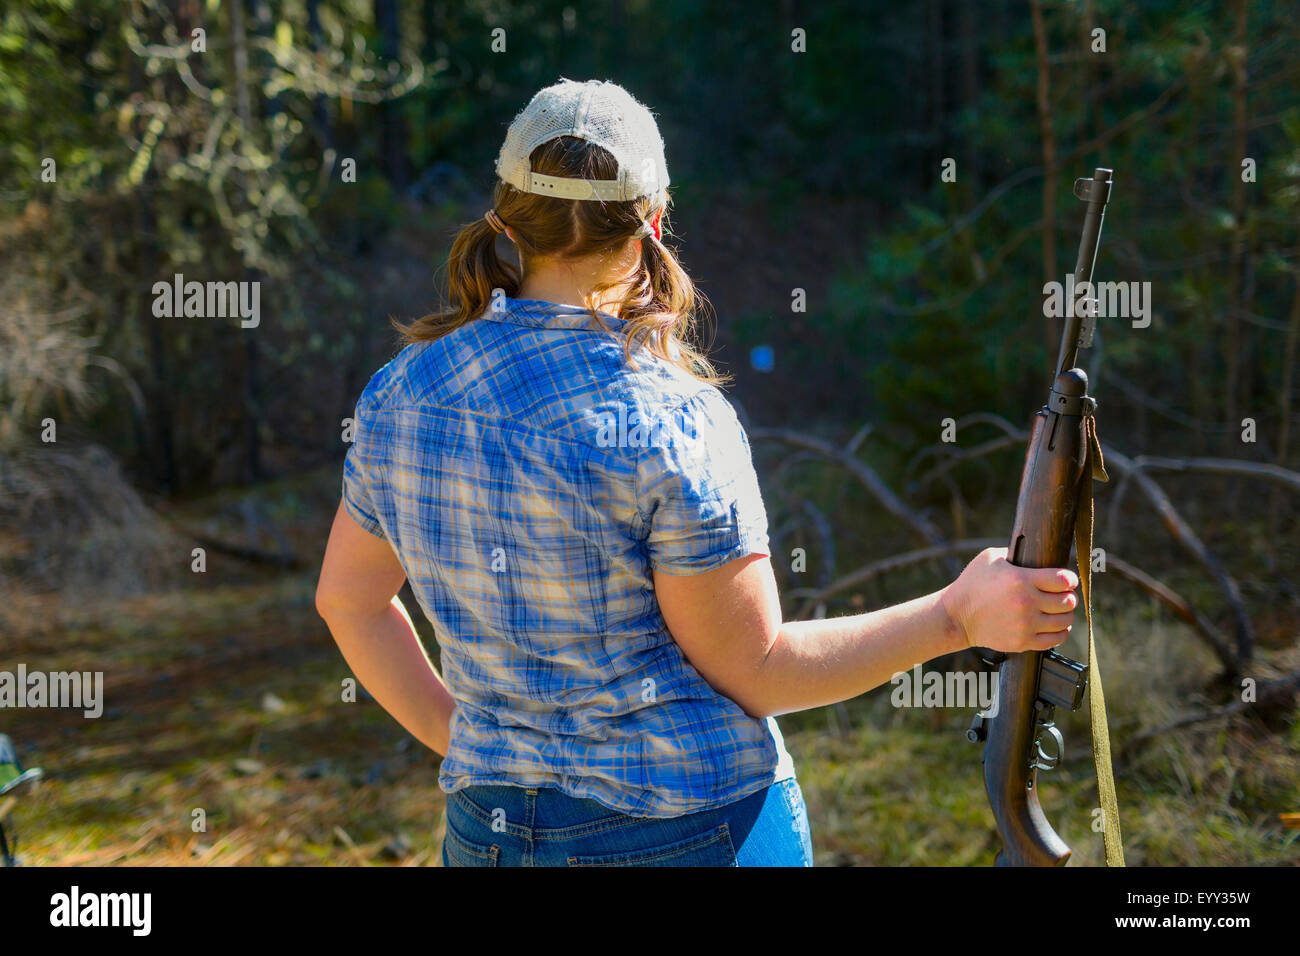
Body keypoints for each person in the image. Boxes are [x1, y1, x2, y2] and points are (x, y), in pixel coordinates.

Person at [314, 79, 1080, 867]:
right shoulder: (670, 415)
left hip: (487, 834)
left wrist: (476, 743)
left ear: (506, 220)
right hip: (689, 832)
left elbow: (347, 601)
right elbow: (761, 672)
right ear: (652, 220)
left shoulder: (401, 391)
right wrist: (955, 616)